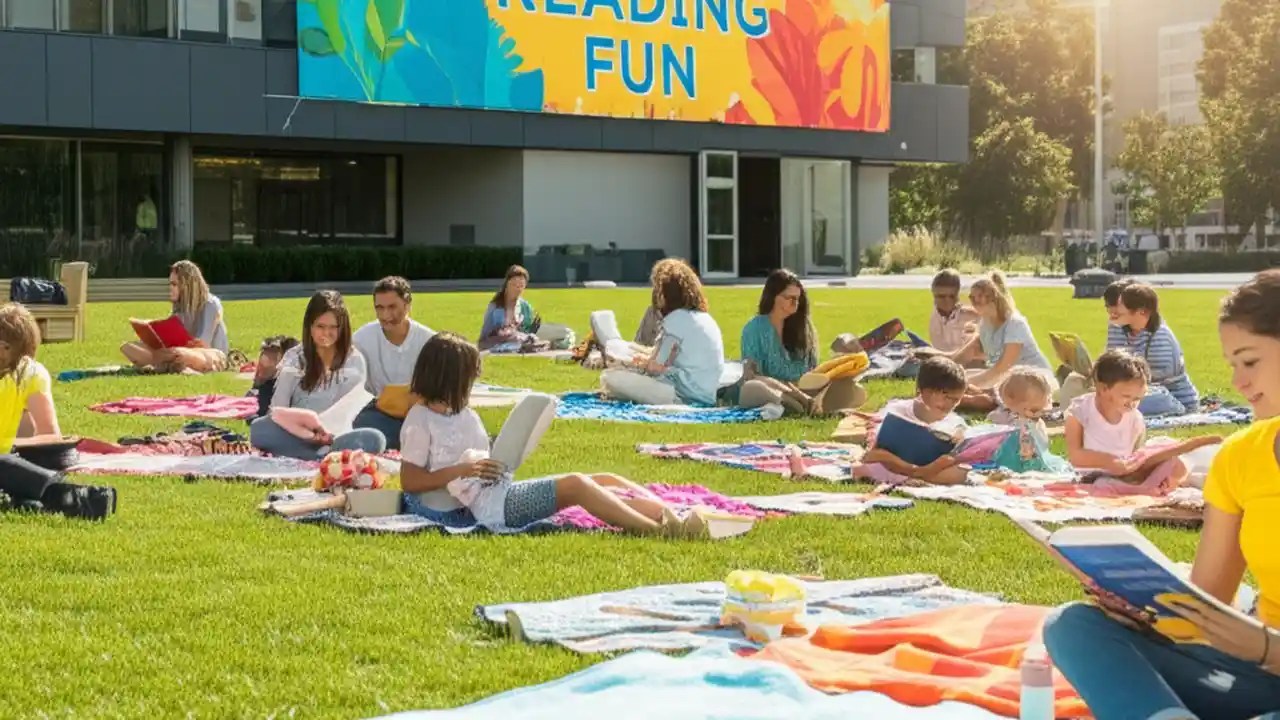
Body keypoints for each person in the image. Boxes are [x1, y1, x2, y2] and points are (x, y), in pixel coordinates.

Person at [1044, 271, 1280, 720]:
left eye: (1249, 362)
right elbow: (1209, 598)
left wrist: (1267, 646)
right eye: (1232, 364)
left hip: (1265, 653)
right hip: (1252, 669)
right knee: (1073, 626)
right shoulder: (1240, 457)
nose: (1238, 382)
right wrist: (1147, 611)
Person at [399, 332, 717, 536]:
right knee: (576, 484)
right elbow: (410, 482)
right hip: (488, 509)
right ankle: (654, 531)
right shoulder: (421, 419)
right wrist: (465, 469)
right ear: (449, 378)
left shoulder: (464, 413)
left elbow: (477, 457)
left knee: (604, 478)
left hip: (494, 491)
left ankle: (673, 516)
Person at [0, 303, 114, 520]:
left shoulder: (29, 373)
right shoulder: (30, 372)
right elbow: (50, 436)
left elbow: (50, 437)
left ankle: (40, 496)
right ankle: (57, 495)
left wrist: (15, 443)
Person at [249, 291, 385, 460]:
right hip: (296, 433)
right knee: (259, 429)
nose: (326, 334)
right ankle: (320, 457)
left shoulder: (354, 361)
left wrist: (325, 434)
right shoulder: (295, 358)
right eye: (320, 327)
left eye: (333, 327)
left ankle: (317, 455)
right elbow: (278, 409)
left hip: (335, 436)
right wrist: (306, 432)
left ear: (342, 328)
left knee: (375, 439)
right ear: (310, 327)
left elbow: (348, 413)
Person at [1064, 350, 1218, 496]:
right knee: (1104, 484)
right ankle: (1148, 487)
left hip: (1127, 474)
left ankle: (1175, 481)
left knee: (1169, 455)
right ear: (1103, 389)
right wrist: (1111, 463)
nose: (1132, 403)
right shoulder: (1080, 410)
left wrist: (1137, 467)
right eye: (1126, 396)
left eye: (1137, 399)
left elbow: (1136, 454)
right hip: (1093, 476)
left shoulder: (1135, 418)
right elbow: (1075, 455)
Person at [600, 259, 725, 406]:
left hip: (684, 395)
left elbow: (656, 366)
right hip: (705, 392)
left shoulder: (675, 320)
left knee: (609, 378)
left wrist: (630, 362)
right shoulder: (704, 318)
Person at [944, 271, 1056, 411]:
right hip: (1005, 379)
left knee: (973, 388)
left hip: (1032, 381)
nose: (973, 302)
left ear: (994, 298)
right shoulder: (985, 324)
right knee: (960, 377)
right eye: (971, 297)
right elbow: (968, 353)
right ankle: (958, 396)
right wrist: (946, 371)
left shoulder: (1015, 324)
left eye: (979, 297)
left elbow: (1003, 367)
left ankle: (961, 398)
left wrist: (964, 383)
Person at [857, 356, 971, 486]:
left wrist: (959, 437)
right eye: (945, 395)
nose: (949, 403)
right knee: (878, 459)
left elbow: (961, 441)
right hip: (893, 461)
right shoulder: (899, 409)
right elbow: (877, 446)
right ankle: (918, 474)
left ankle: (917, 474)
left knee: (960, 471)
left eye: (956, 400)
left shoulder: (954, 421)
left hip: (929, 466)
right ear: (922, 390)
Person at [351, 277, 435, 449]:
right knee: (363, 425)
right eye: (379, 308)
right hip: (380, 412)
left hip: (420, 412)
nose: (385, 315)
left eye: (392, 307)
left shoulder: (429, 341)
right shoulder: (362, 338)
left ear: (407, 305)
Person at [734, 269, 827, 413]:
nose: (794, 303)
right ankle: (798, 405)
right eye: (789, 298)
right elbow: (753, 375)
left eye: (798, 299)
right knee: (753, 387)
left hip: (806, 390)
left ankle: (805, 406)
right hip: (774, 391)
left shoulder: (804, 327)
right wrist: (796, 394)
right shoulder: (754, 328)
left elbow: (814, 370)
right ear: (773, 297)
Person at [1107, 282, 1200, 416]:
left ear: (1141, 312)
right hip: (1127, 388)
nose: (1115, 309)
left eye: (1121, 305)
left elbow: (1156, 379)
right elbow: (1111, 363)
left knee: (1120, 399)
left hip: (1169, 396)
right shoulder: (1117, 328)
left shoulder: (1161, 337)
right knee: (1078, 383)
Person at [120, 260, 230, 374]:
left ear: (187, 285)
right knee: (128, 347)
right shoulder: (180, 308)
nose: (170, 288)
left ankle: (164, 365)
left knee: (177, 354)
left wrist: (179, 348)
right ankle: (170, 365)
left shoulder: (210, 304)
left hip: (211, 355)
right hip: (179, 352)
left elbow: (204, 343)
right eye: (170, 284)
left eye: (174, 284)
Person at [988, 367, 1069, 473]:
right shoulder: (1018, 425)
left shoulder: (1036, 422)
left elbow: (1042, 445)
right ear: (1011, 405)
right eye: (1033, 410)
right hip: (1020, 462)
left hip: (1040, 458)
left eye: (1041, 410)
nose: (1038, 414)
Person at [928, 269, 981, 361]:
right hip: (945, 361)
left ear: (957, 295)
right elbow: (938, 347)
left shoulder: (973, 316)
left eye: (952, 296)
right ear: (934, 295)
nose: (947, 301)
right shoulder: (935, 317)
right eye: (941, 296)